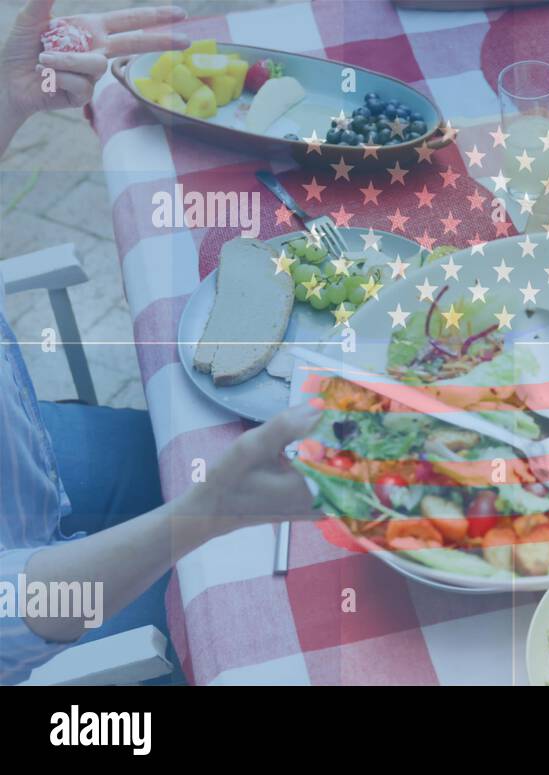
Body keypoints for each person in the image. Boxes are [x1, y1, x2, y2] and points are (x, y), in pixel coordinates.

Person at [0, 0, 320, 684]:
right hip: (39, 608)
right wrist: (201, 515)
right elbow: (14, 612)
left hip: (30, 464)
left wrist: (8, 100)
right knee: (292, 595)